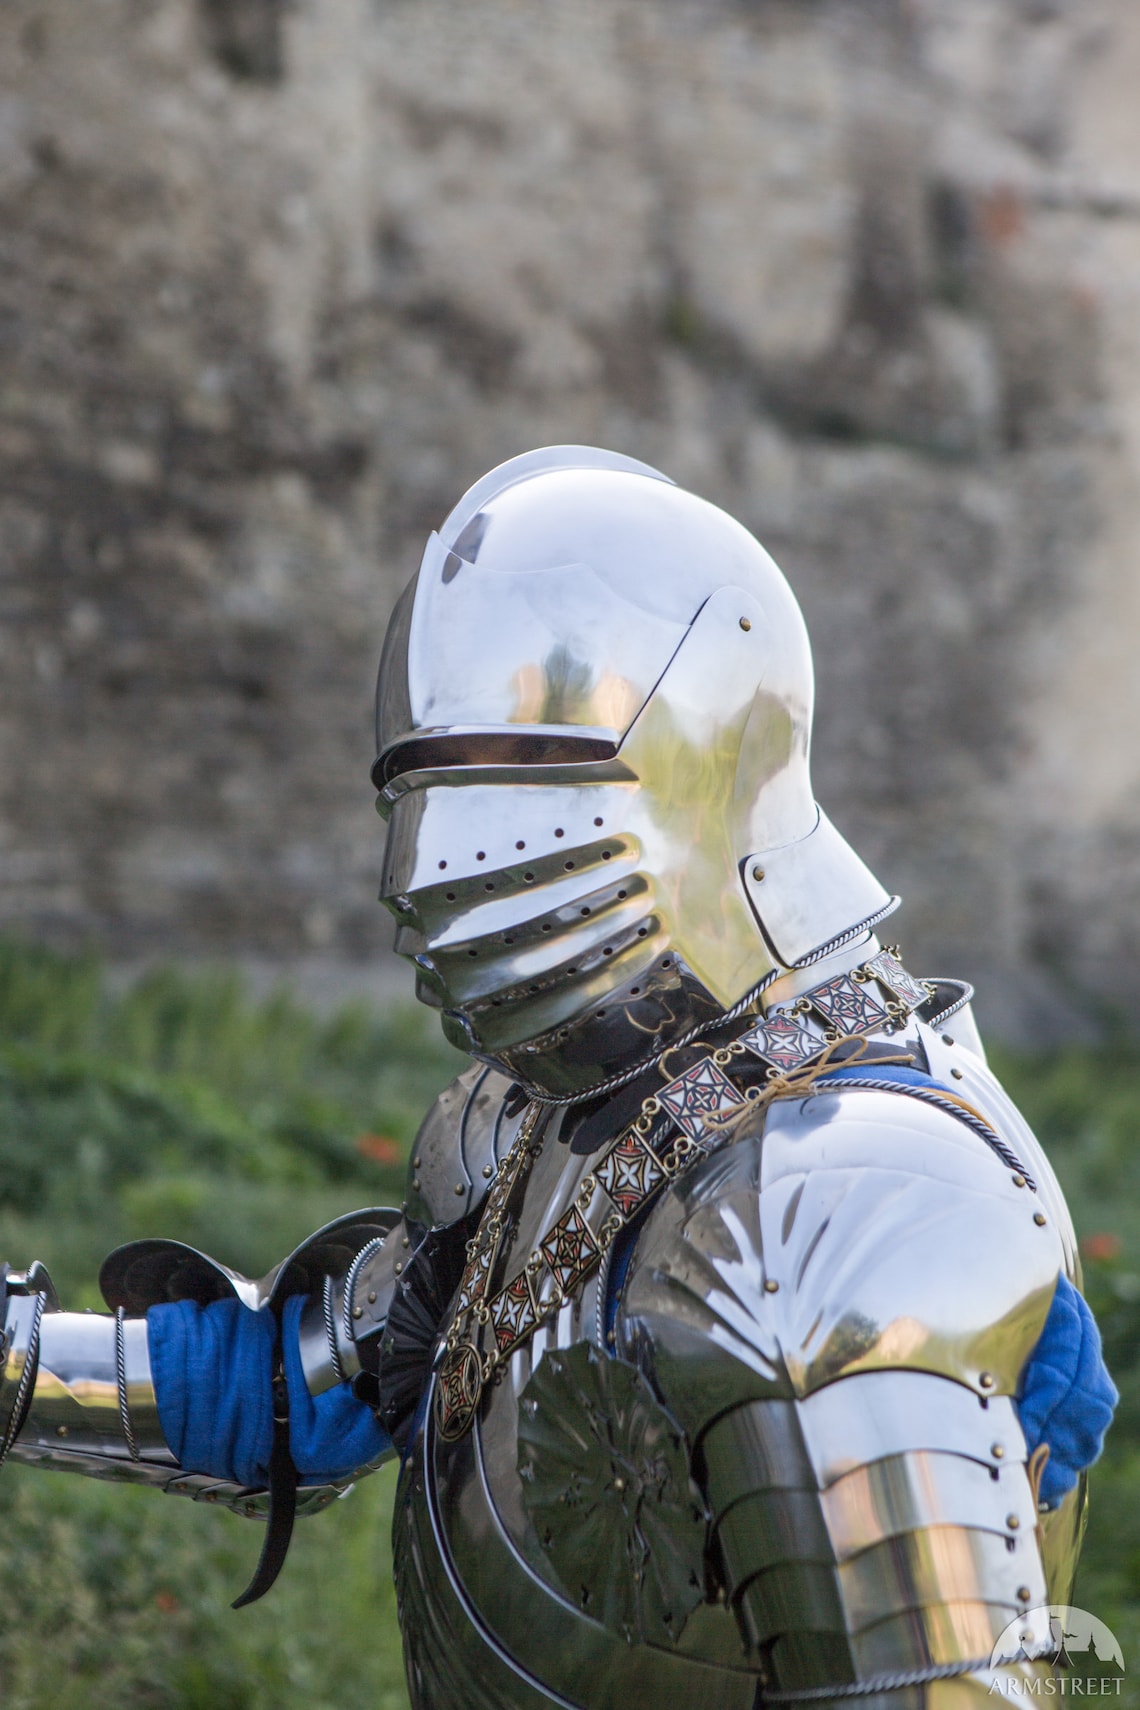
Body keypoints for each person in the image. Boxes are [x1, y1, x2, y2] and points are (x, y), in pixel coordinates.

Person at [0, 448, 1117, 1707]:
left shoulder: (840, 1223)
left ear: (707, 761)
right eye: (418, 790)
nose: (431, 864)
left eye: (514, 778)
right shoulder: (537, 1125)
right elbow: (298, 1389)